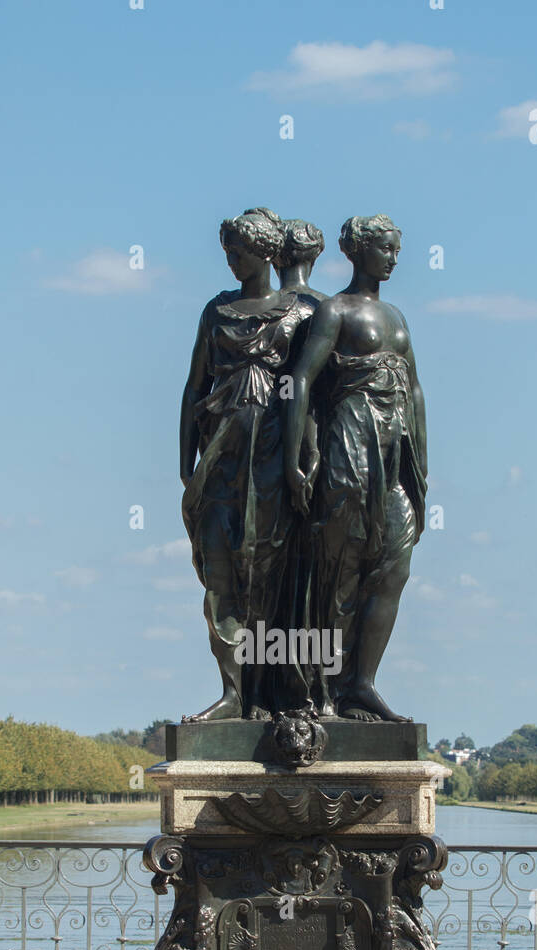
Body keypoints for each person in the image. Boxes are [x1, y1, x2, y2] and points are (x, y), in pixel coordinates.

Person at [283, 214, 427, 721]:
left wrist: (420, 472)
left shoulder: (398, 316)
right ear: (358, 250)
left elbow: (414, 391)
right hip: (349, 444)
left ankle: (361, 684)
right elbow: (301, 381)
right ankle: (320, 688)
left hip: (395, 454)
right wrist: (298, 456)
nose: (392, 257)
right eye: (385, 248)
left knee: (394, 567)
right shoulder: (334, 310)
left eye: (396, 249)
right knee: (338, 571)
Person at [179, 208, 316, 720]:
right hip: (220, 455)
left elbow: (310, 395)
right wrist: (185, 464)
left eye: (238, 253)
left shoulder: (300, 314)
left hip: (275, 456)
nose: (231, 262)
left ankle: (274, 690)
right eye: (228, 253)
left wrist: (307, 461)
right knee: (220, 572)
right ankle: (233, 693)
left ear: (262, 252)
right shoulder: (216, 312)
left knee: (269, 572)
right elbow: (194, 387)